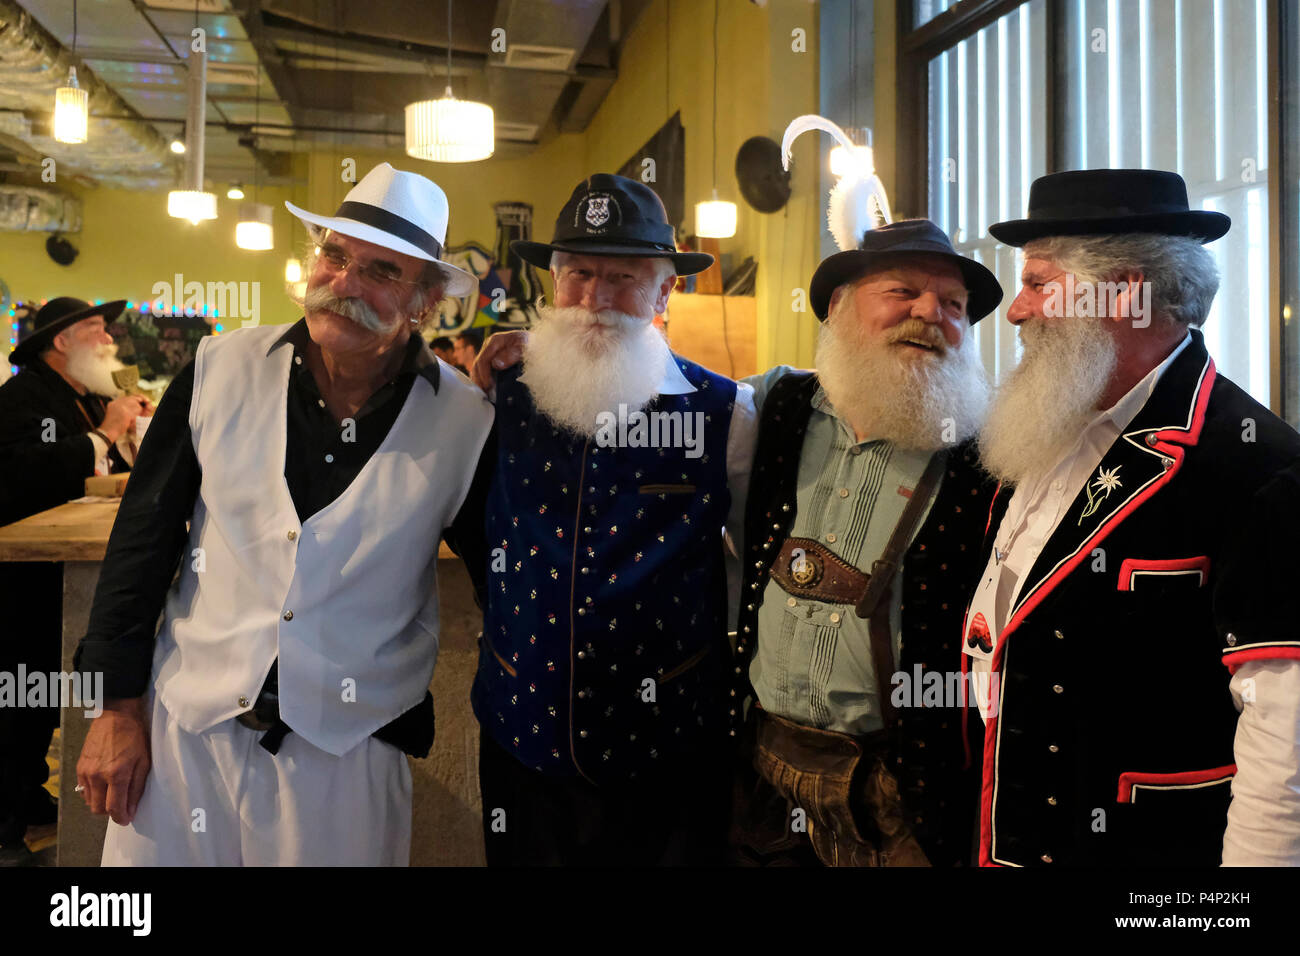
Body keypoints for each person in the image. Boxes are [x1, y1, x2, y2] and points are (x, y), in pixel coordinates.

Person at [72, 162, 494, 866]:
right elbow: (139, 548)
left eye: (382, 272)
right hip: (186, 734)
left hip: (343, 759)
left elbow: (507, 583)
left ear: (424, 300)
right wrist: (116, 708)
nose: (345, 283)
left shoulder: (468, 422)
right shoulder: (217, 368)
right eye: (334, 255)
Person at [969, 168, 1300, 866]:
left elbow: (1286, 739)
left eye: (1036, 282)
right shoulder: (1050, 420)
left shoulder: (1256, 465)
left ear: (1121, 291)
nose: (1016, 310)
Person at [466, 173, 757, 865]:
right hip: (521, 727)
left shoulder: (726, 413)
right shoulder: (496, 394)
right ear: (553, 283)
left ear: (664, 292)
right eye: (579, 274)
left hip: (669, 744)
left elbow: (755, 562)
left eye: (623, 277)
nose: (595, 298)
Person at [727, 220, 1003, 866]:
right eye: (902, 291)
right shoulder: (774, 404)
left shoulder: (993, 452)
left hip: (902, 791)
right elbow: (659, 397)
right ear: (838, 307)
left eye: (954, 305)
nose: (930, 314)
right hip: (763, 767)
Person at [0, 297, 151, 866]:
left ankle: (24, 788)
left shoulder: (82, 397)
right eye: (96, 329)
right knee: (16, 693)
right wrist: (102, 435)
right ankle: (4, 822)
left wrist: (132, 432)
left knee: (40, 695)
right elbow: (17, 477)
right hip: (18, 581)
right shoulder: (23, 399)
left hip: (57, 575)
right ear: (60, 342)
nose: (110, 337)